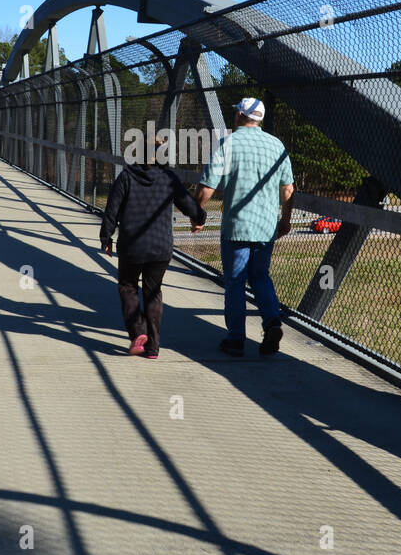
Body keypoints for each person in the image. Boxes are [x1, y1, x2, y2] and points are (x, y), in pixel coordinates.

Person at [194, 98, 294, 357]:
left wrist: (196, 215)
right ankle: (272, 321)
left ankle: (236, 340)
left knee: (236, 282)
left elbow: (207, 188)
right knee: (261, 277)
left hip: (237, 227)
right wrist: (285, 220)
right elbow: (288, 189)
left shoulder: (228, 144)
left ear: (239, 114)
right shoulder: (277, 145)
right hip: (265, 227)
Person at [100, 137, 206, 359]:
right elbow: (187, 203)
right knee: (153, 293)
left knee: (128, 287)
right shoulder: (168, 178)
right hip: (160, 247)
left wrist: (106, 238)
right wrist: (200, 217)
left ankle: (138, 332)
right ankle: (153, 347)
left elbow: (112, 209)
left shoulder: (126, 177)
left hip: (132, 247)